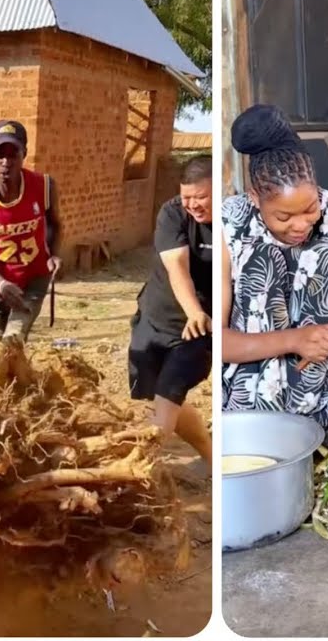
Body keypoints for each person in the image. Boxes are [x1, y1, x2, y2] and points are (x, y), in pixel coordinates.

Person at [221, 104, 328, 429]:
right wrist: (294, 339)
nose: (300, 225)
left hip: (320, 396)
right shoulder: (231, 222)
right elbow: (218, 342)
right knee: (259, 258)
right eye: (283, 217)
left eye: (309, 208)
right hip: (249, 403)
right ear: (254, 198)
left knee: (322, 252)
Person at [129, 156, 215, 462]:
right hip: (155, 318)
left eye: (201, 197)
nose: (192, 205)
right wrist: (192, 308)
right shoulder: (172, 212)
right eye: (187, 197)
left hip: (199, 329)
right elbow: (177, 265)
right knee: (158, 396)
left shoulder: (230, 222)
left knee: (164, 409)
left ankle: (140, 472)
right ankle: (210, 453)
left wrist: (197, 316)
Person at [0, 120, 62, 342]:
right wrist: (0, 283)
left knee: (13, 338)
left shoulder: (43, 186)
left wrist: (54, 252)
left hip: (34, 276)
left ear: (24, 154)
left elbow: (54, 223)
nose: (5, 162)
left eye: (13, 154)